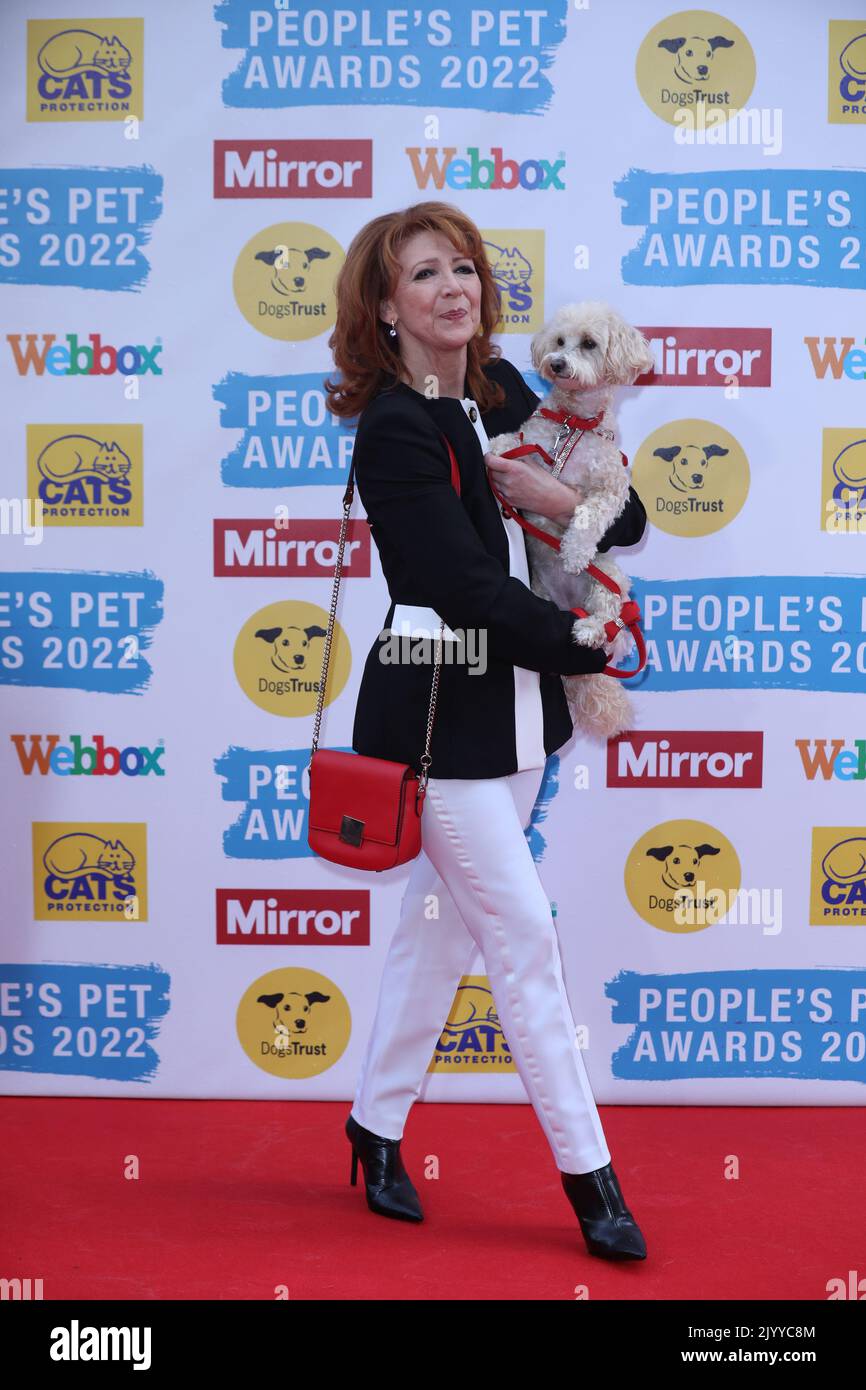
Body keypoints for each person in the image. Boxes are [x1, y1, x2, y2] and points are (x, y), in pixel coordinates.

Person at [324, 201, 647, 1260]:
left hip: (520, 725)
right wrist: (583, 640)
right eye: (422, 275)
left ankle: (371, 1131)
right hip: (436, 725)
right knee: (523, 944)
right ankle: (592, 1186)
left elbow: (627, 516)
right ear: (384, 306)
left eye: (460, 267)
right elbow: (452, 585)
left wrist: (557, 492)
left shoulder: (505, 389)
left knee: (436, 940)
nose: (451, 287)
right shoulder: (392, 427)